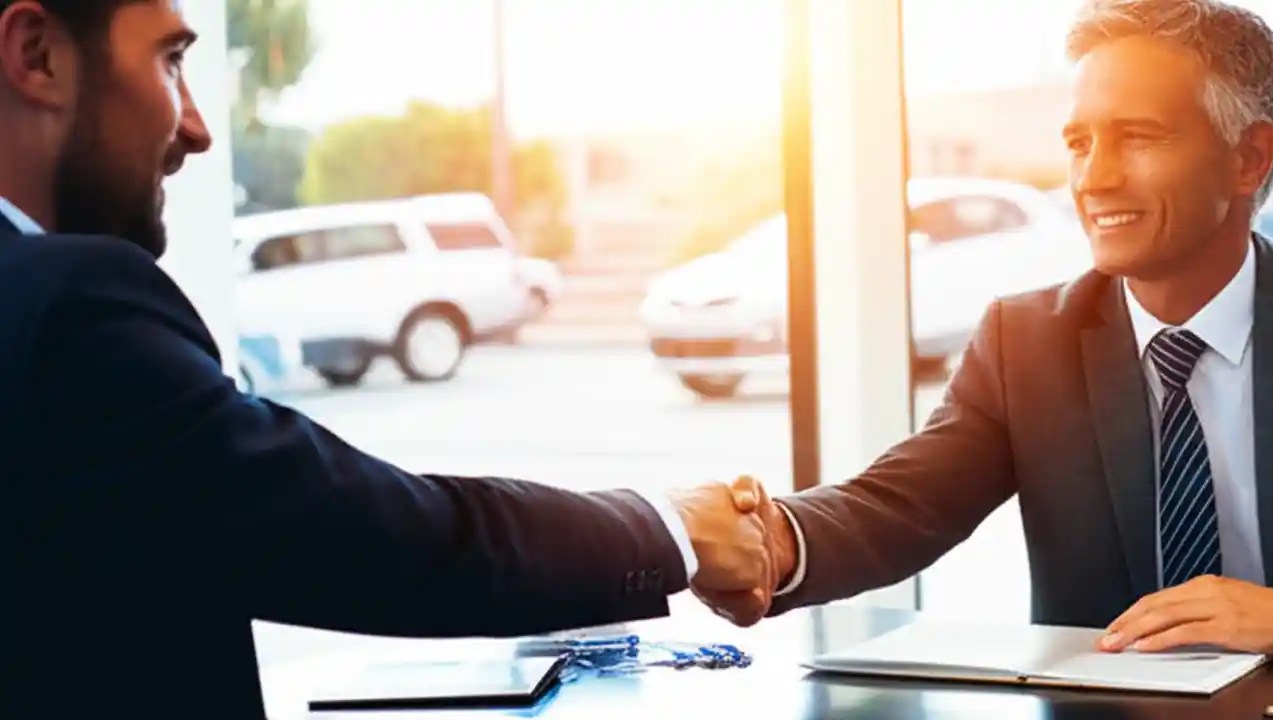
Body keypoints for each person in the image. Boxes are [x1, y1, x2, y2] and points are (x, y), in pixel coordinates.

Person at [0, 2, 772, 717]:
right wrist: (670, 530)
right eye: (170, 60)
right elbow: (369, 533)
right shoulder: (62, 303)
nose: (197, 128)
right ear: (37, 56)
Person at [700, 0, 1273, 656]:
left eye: (1138, 137)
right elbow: (897, 509)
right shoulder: (1027, 343)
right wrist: (775, 540)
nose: (1095, 177)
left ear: (1249, 159)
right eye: (1080, 144)